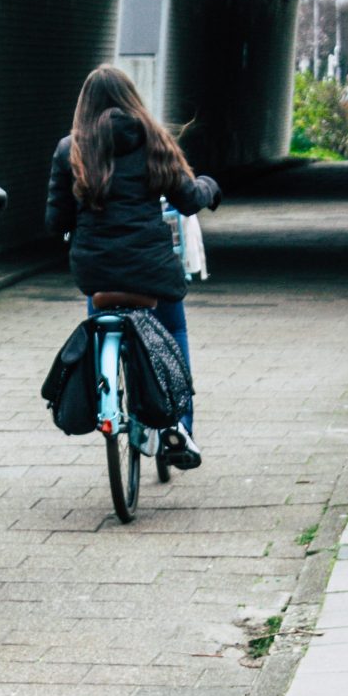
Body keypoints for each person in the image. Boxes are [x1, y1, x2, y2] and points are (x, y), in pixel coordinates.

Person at [45, 64, 221, 469]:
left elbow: (56, 221)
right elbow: (189, 199)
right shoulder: (153, 140)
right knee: (173, 331)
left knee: (99, 315)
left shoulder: (70, 150)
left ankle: (106, 393)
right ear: (131, 100)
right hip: (150, 271)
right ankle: (180, 426)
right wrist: (211, 187)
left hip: (96, 273)